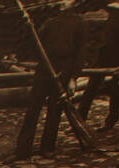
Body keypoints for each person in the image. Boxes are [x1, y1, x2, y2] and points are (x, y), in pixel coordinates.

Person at [13, 0, 88, 159]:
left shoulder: (80, 24)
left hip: (64, 70)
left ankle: (47, 148)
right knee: (33, 109)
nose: (61, 2)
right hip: (44, 69)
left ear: (74, 2)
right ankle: (22, 150)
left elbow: (80, 54)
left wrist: (73, 78)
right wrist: (29, 28)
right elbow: (34, 46)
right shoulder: (50, 22)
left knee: (55, 111)